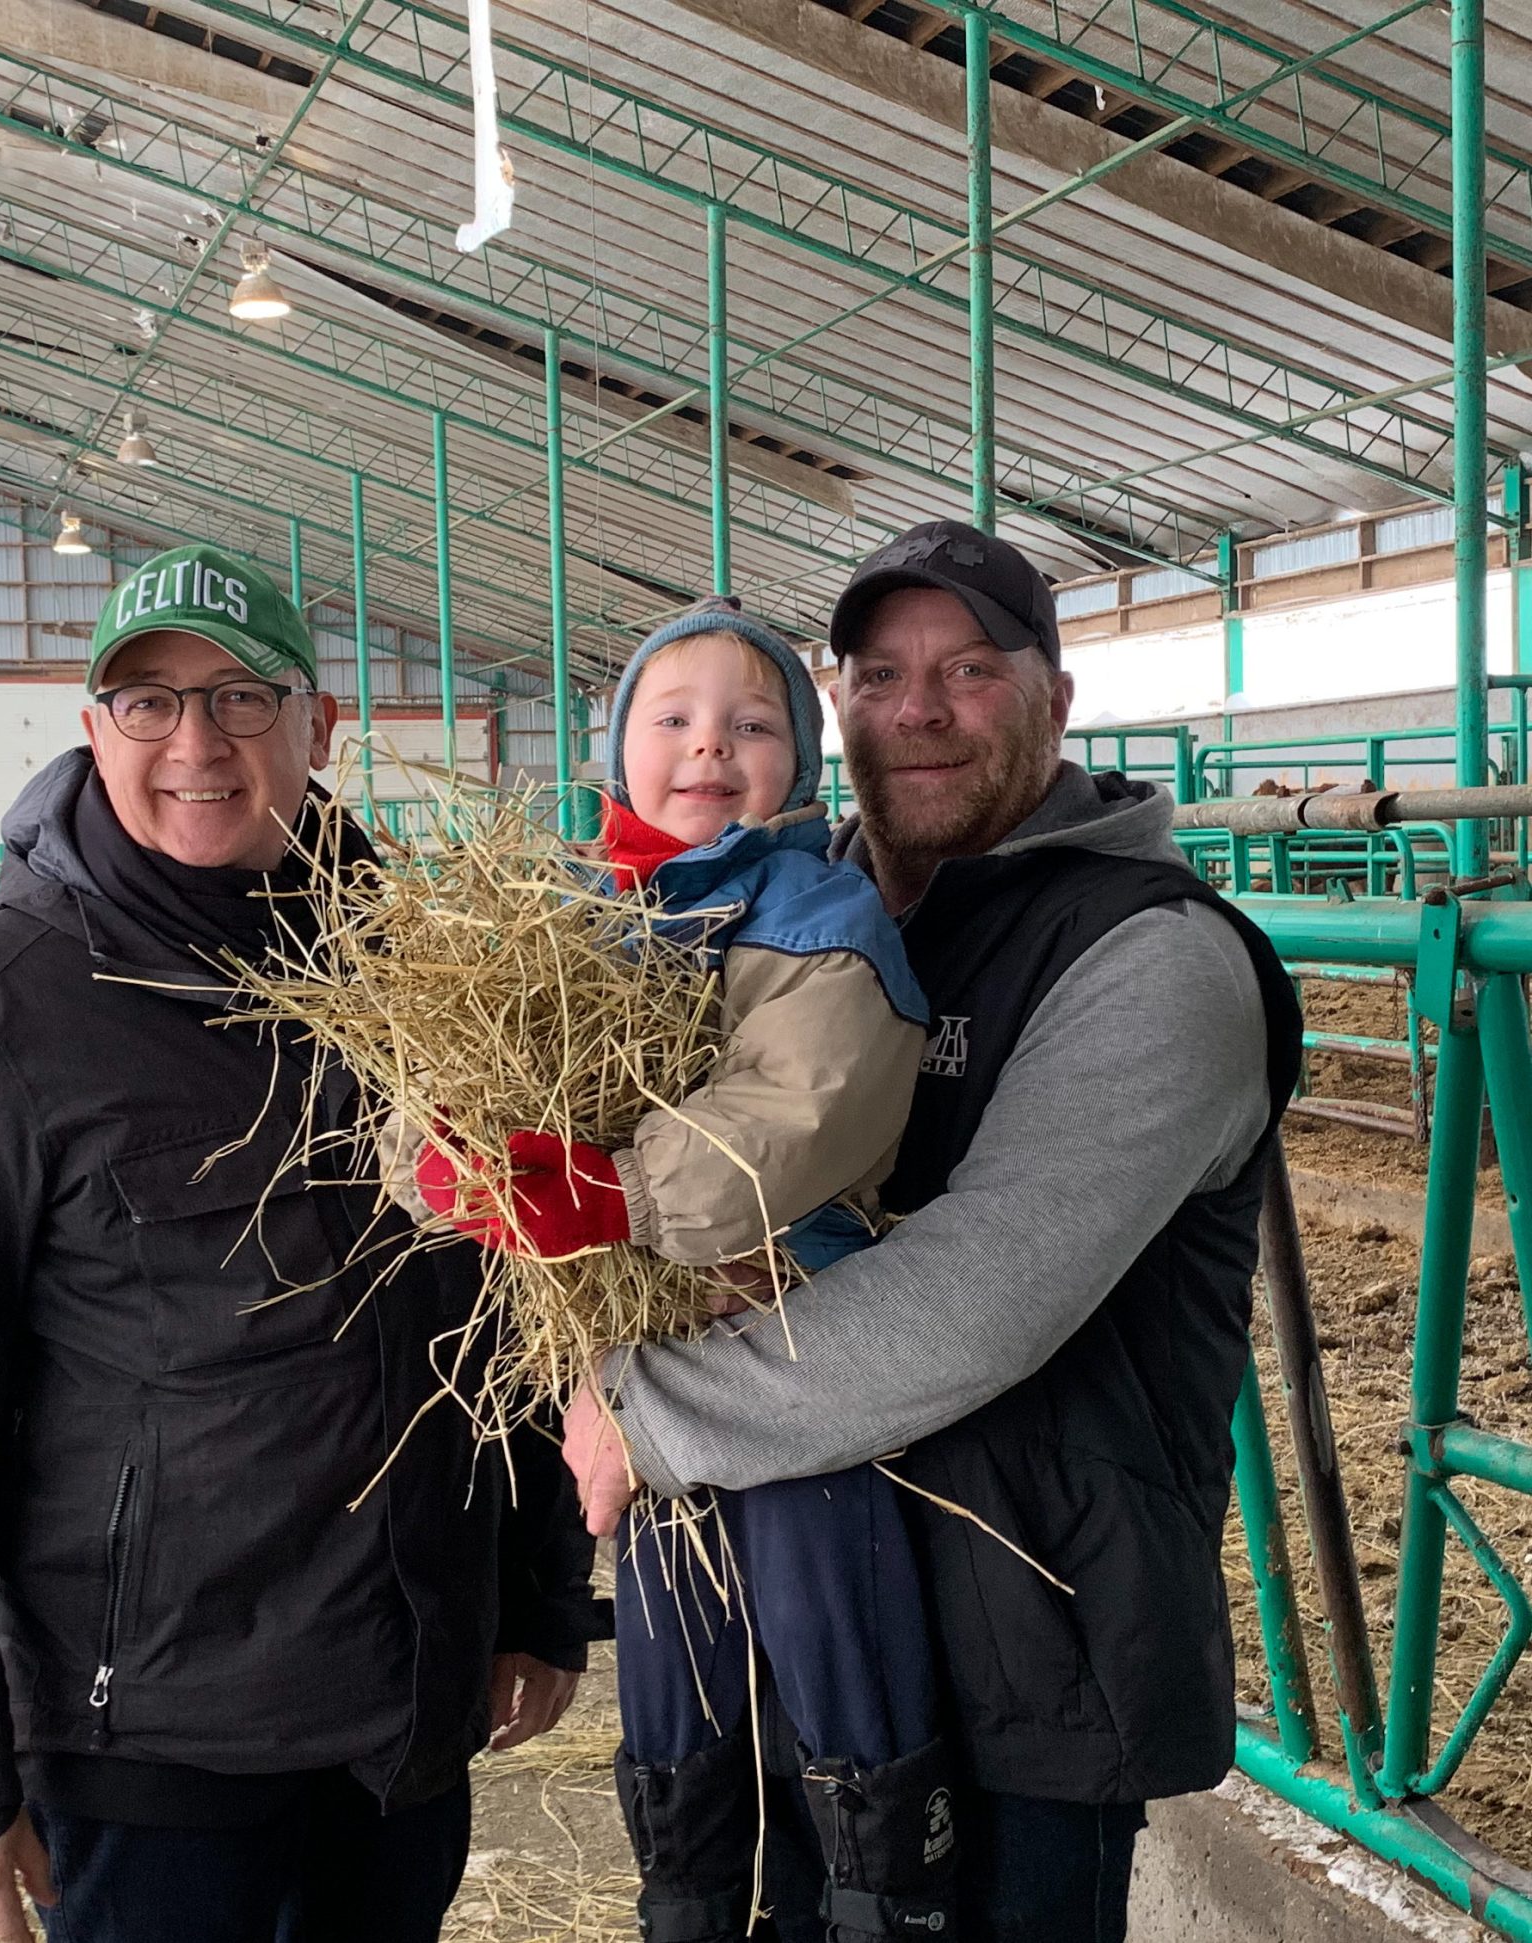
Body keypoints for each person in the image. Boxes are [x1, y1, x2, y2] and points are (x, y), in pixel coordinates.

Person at [0, 541, 602, 1943]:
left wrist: (532, 1597)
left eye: (241, 699)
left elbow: (503, 1309)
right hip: (151, 1752)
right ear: (94, 730)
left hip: (403, 1722)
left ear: (320, 726)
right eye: (150, 703)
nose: (196, 744)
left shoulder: (431, 971)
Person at [560, 521, 1302, 1942]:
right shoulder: (784, 918)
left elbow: (984, 1292)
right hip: (790, 1629)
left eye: (971, 669)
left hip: (1027, 1659)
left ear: (1056, 701)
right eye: (881, 673)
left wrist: (652, 1413)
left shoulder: (1150, 956)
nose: (921, 708)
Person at [406, 599, 953, 1941]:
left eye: (752, 723)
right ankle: (691, 1900)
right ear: (617, 751)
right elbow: (487, 1069)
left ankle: (884, 1899)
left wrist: (616, 1192)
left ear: (801, 765)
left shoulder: (820, 914)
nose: (710, 746)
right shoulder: (581, 912)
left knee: (834, 1652)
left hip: (796, 1339)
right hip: (648, 1362)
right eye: (674, 718)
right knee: (673, 1666)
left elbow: (800, 1113)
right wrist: (455, 1158)